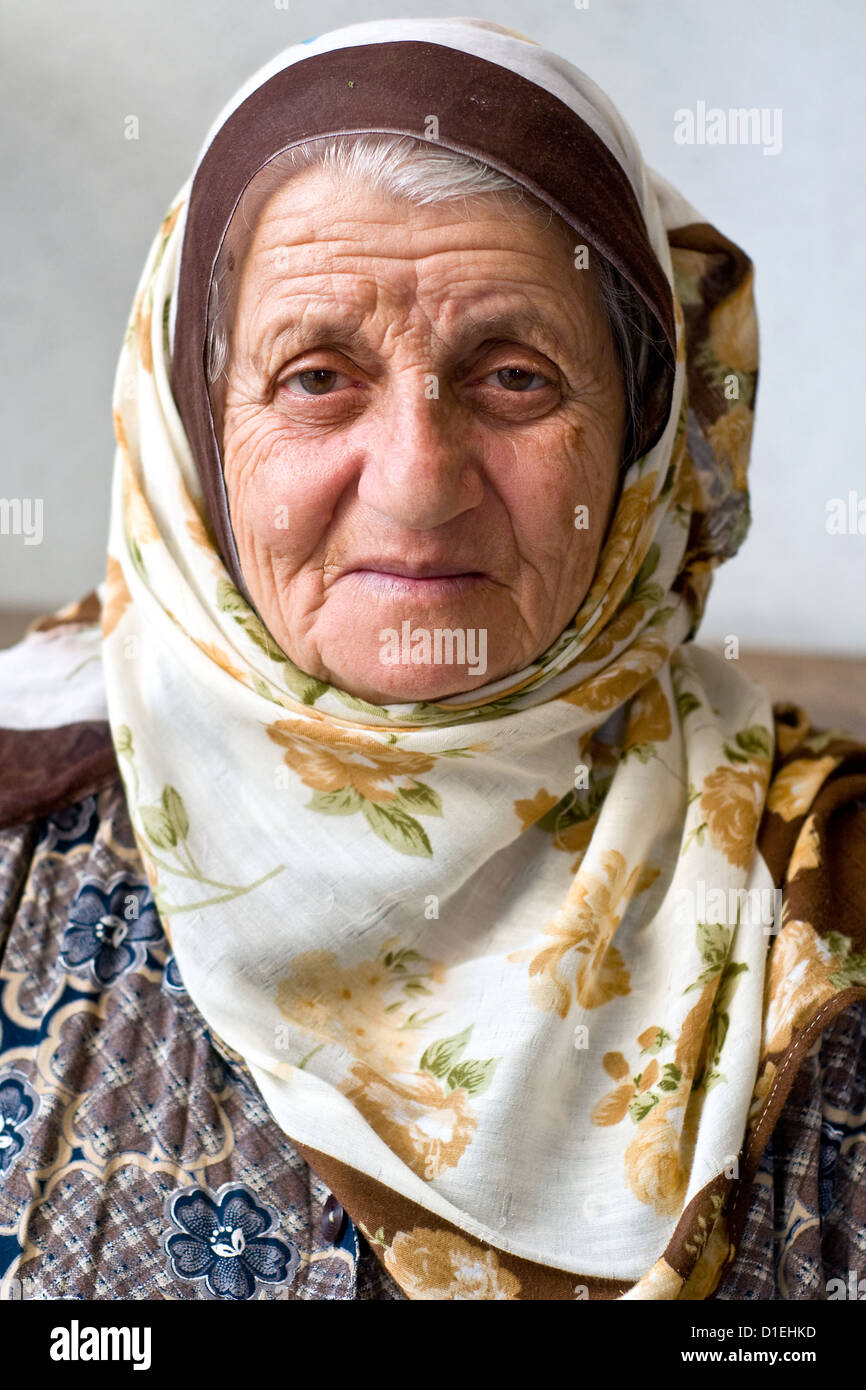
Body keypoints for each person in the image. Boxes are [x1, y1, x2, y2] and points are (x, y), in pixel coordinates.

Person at [1, 16, 864, 1302]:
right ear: (192, 425)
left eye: (513, 377)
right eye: (315, 377)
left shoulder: (826, 886)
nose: (414, 486)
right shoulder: (22, 833)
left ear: (638, 442)